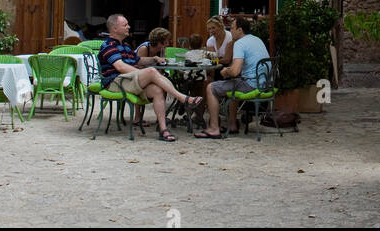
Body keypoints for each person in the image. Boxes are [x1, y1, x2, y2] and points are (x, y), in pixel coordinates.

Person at [98, 14, 201, 142]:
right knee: (151, 71)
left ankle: (163, 130)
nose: (128, 27)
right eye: (125, 25)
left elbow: (138, 60)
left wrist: (154, 58)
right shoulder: (108, 45)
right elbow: (120, 67)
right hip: (115, 83)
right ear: (114, 28)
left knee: (157, 90)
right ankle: (182, 98)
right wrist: (143, 73)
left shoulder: (125, 45)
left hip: (127, 81)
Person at [195, 18, 269, 139]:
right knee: (233, 84)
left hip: (251, 85)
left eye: (233, 28)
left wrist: (226, 71)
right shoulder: (257, 40)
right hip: (264, 84)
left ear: (240, 30)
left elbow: (235, 71)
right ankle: (233, 125)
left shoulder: (240, 43)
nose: (231, 30)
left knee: (210, 87)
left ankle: (214, 129)